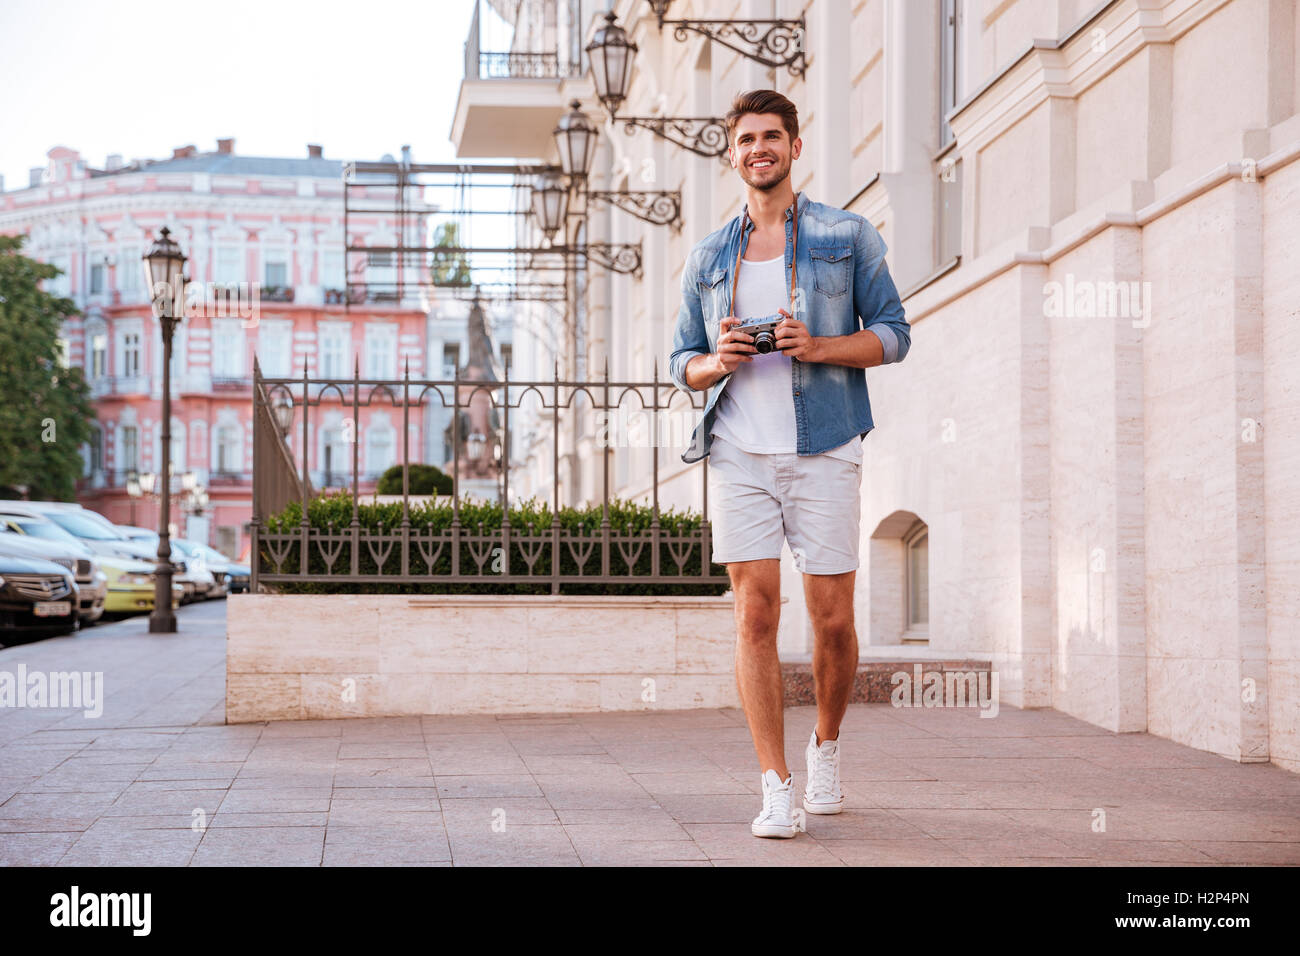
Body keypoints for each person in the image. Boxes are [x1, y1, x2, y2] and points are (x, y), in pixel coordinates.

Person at [668, 89, 911, 838]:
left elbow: (895, 335)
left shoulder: (847, 234)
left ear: (794, 147)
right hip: (739, 449)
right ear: (732, 153)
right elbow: (680, 360)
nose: (758, 149)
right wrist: (721, 358)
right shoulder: (710, 254)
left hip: (825, 444)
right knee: (755, 615)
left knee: (832, 618)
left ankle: (826, 749)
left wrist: (819, 347)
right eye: (746, 139)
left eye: (771, 136)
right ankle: (775, 785)